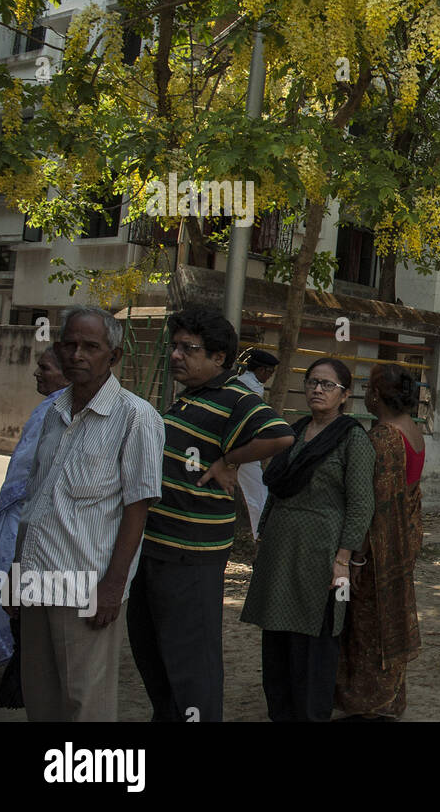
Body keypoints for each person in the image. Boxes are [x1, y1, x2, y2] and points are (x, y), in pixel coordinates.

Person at [130, 307, 295, 723]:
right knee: (154, 655)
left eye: (190, 348)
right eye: (175, 346)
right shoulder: (189, 399)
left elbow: (280, 434)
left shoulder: (234, 398)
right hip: (154, 546)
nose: (177, 356)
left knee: (191, 663)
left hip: (191, 554)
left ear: (218, 357)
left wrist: (230, 460)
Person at [15, 307, 165, 721]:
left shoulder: (136, 418)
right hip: (34, 578)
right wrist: (15, 574)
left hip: (86, 584)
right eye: (70, 344)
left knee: (85, 703)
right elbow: (34, 500)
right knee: (41, 697)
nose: (77, 355)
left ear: (113, 357)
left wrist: (113, 587)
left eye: (90, 347)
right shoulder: (54, 412)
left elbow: (138, 510)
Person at [241, 358, 375, 721]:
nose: (317, 389)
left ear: (345, 395)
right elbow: (276, 491)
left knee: (313, 640)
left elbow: (361, 505)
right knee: (277, 637)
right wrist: (262, 538)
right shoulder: (294, 432)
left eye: (328, 384)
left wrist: (343, 559)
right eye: (313, 382)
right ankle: (281, 712)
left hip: (322, 554)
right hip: (280, 550)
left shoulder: (352, 439)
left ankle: (310, 713)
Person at [334, 364, 425, 720]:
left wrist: (355, 557)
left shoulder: (383, 438)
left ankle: (368, 702)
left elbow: (373, 505)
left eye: (368, 388)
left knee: (370, 625)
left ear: (376, 395)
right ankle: (390, 699)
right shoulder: (412, 431)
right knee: (392, 618)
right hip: (405, 539)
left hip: (380, 550)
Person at [0, 348, 69, 668]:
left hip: (27, 517)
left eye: (45, 368)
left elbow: (31, 474)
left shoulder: (58, 409)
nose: (37, 373)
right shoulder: (52, 407)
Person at [234, 347, 281, 540]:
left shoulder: (243, 383)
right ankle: (261, 536)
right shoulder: (249, 387)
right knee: (257, 494)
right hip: (242, 448)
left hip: (241, 446)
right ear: (261, 370)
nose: (269, 377)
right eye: (269, 372)